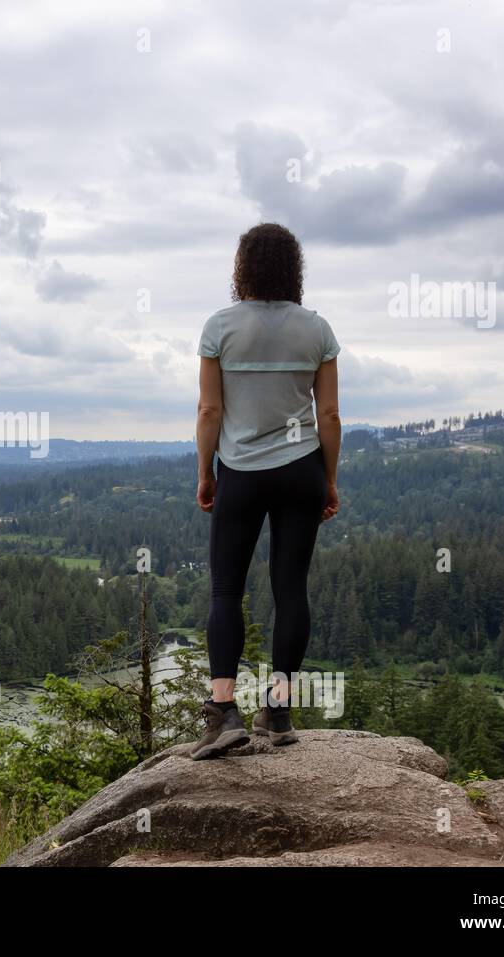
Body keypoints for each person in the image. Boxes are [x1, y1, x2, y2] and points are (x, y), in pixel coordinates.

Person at [189, 223, 341, 760]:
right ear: (293, 268)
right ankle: (277, 711)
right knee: (290, 590)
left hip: (242, 471)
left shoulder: (220, 327)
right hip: (301, 469)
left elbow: (210, 410)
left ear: (242, 267)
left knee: (226, 591)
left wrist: (206, 472)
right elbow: (328, 415)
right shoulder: (316, 329)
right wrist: (329, 479)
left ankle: (223, 712)